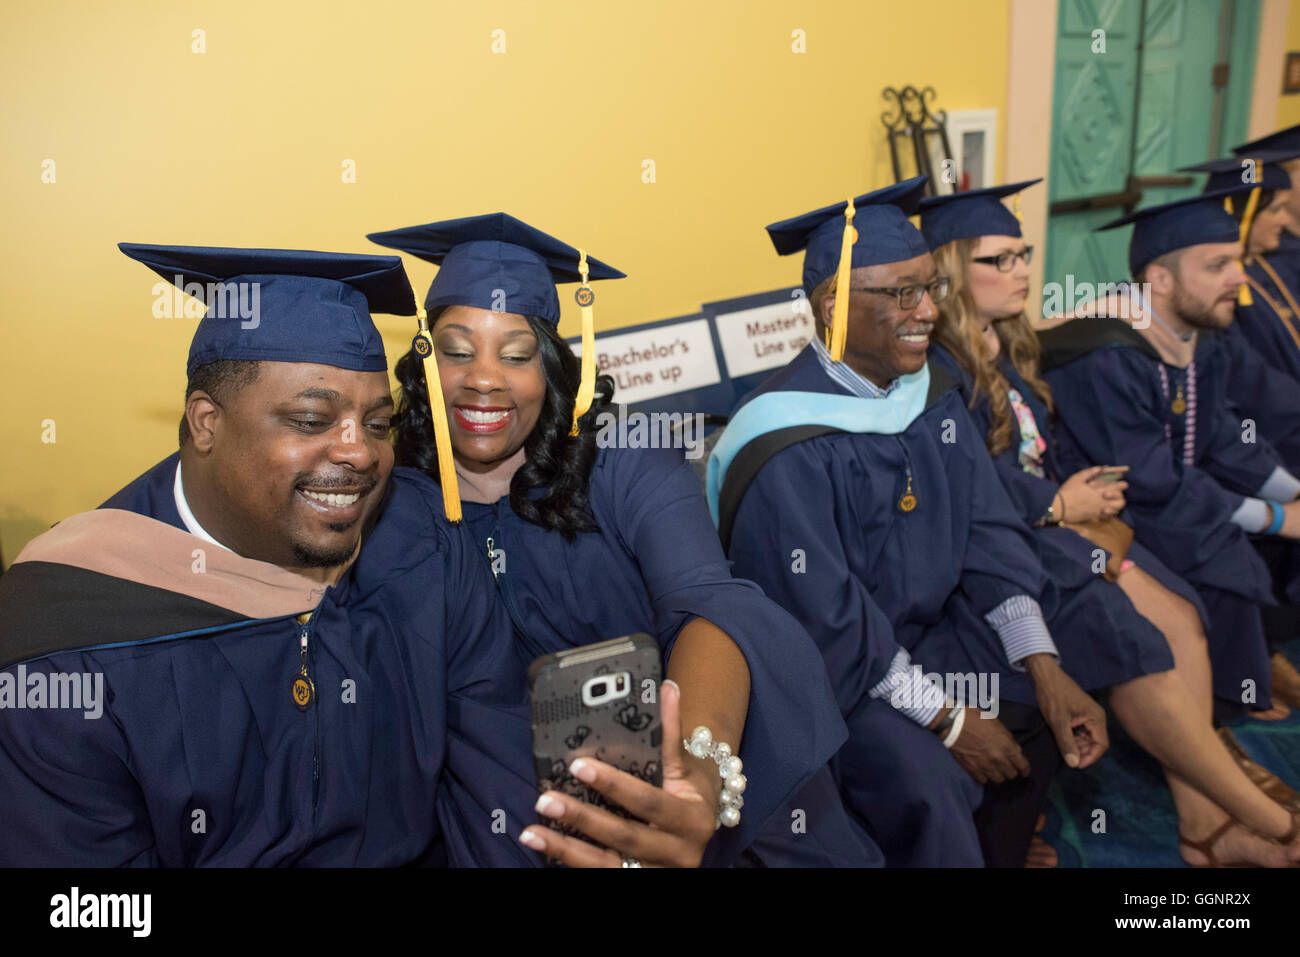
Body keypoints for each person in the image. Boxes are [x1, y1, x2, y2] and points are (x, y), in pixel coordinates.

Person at [0, 244, 537, 866]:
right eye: (312, 420)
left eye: (379, 424)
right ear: (206, 423)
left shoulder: (426, 539)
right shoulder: (61, 639)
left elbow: (499, 781)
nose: (360, 453)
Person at [370, 212, 876, 867]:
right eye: (456, 349)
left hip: (659, 756)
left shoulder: (626, 463)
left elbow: (709, 606)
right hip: (494, 805)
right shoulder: (394, 502)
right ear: (423, 362)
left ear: (552, 367)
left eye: (516, 353)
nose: (483, 377)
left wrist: (696, 763)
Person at [709, 176, 1110, 867]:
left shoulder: (934, 397)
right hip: (838, 681)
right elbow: (826, 623)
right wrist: (950, 719)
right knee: (929, 779)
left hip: (933, 632)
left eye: (931, 287)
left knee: (1045, 695)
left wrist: (1042, 665)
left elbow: (991, 536)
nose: (928, 310)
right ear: (834, 307)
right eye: (902, 293)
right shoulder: (781, 444)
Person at [921, 182, 1300, 865]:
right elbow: (965, 480)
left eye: (1024, 255)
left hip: (1058, 522)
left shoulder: (1003, 344)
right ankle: (1259, 816)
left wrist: (1079, 492)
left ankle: (1203, 818)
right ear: (949, 274)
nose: (1022, 271)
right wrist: (1059, 504)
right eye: (999, 261)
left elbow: (1038, 443)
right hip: (1006, 543)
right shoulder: (933, 369)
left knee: (1180, 614)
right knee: (1134, 630)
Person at [1039, 190, 1300, 723]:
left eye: (1237, 262)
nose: (1240, 279)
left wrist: (1289, 491)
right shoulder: (1104, 350)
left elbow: (1224, 431)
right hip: (1107, 505)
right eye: (1219, 265)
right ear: (1159, 279)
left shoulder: (1193, 329)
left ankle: (1241, 683)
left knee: (1228, 538)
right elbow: (1151, 475)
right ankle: (1210, 719)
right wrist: (1276, 517)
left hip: (1165, 491)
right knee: (1220, 548)